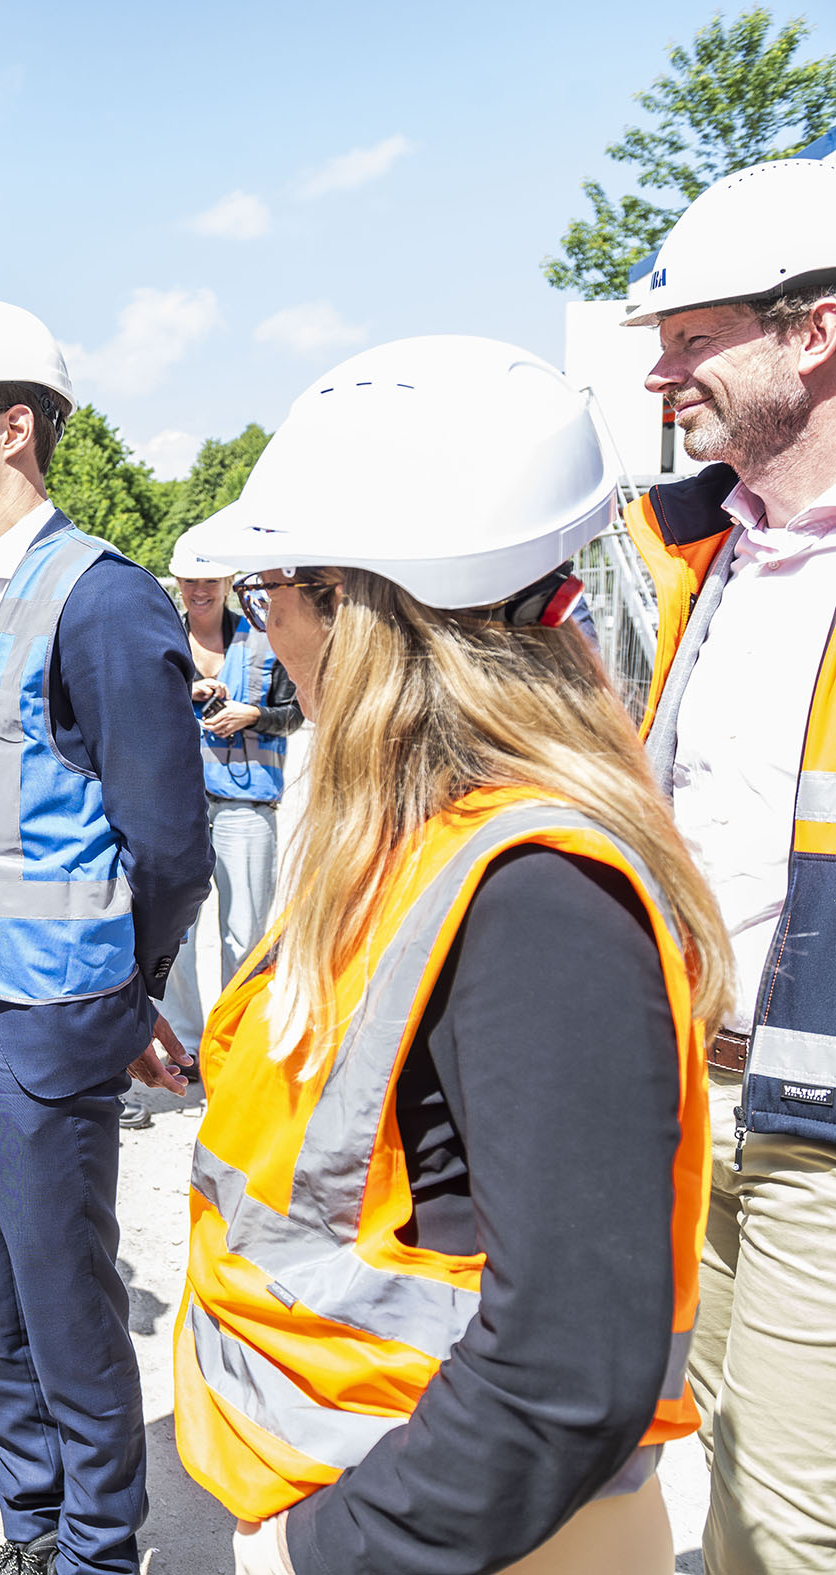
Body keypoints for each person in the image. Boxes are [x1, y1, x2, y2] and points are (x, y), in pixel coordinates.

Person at [175, 335, 725, 1575]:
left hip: (476, 1537)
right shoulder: (424, 839)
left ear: (357, 603)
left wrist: (338, 1546)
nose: (269, 627)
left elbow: (571, 1364)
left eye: (276, 589)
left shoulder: (535, 894)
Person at [0, 298, 212, 1575]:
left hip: (41, 1023)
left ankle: (95, 1552)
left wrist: (129, 1000)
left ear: (12, 429)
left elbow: (172, 848)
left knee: (65, 1302)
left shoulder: (104, 604)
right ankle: (31, 1527)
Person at [619, 156, 836, 1575]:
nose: (658, 376)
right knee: (622, 1429)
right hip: (683, 1077)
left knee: (781, 1522)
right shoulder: (685, 554)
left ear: (811, 329)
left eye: (690, 337)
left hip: (820, 1131)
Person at [154, 545, 303, 1121]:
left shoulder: (264, 638)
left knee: (245, 933)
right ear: (180, 582)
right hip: (180, 806)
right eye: (190, 580)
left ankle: (236, 1053)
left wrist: (251, 716)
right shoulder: (162, 635)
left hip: (246, 805)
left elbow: (295, 714)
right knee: (179, 939)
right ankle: (188, 1055)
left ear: (225, 581)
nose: (199, 590)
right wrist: (179, 692)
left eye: (209, 580)